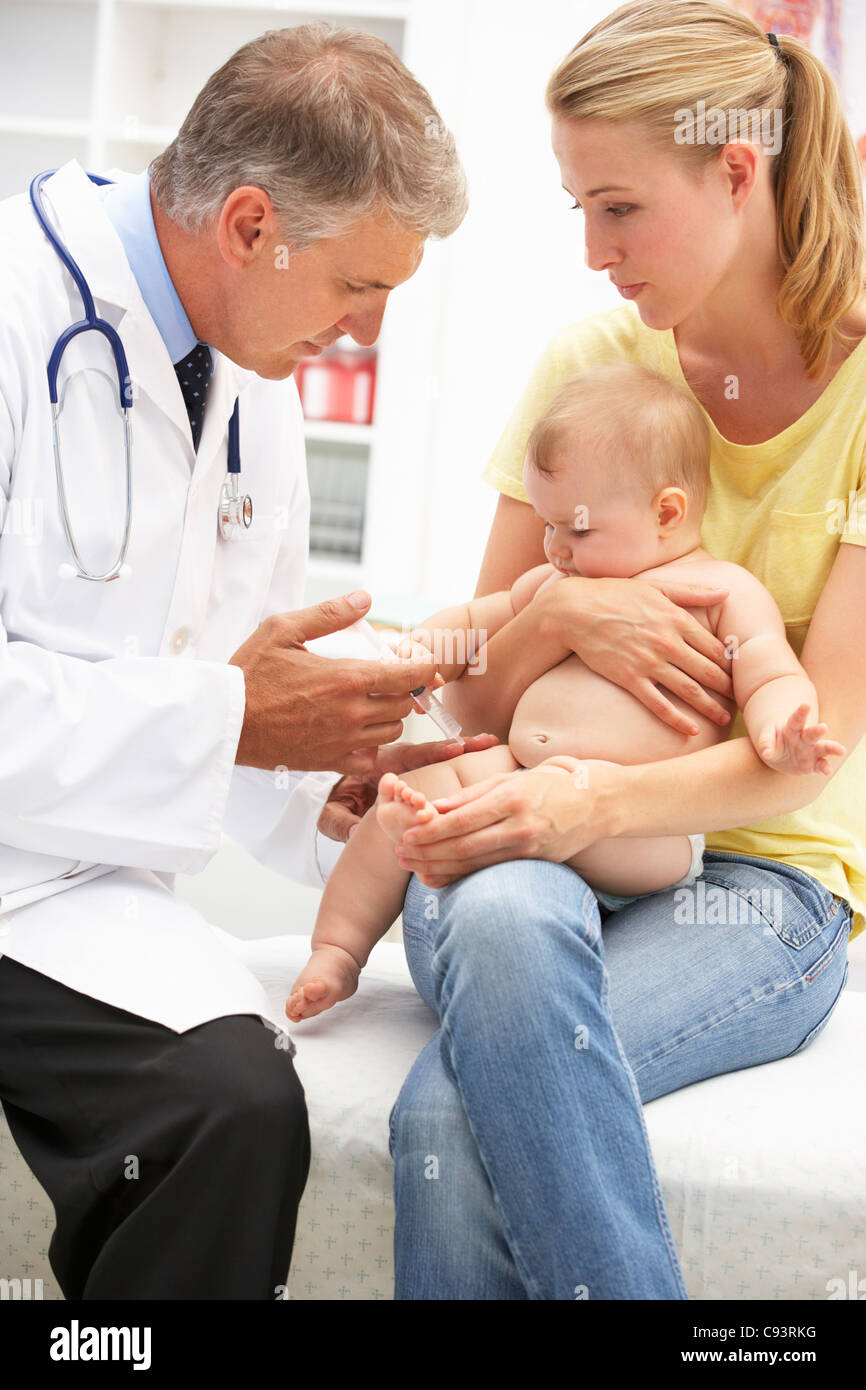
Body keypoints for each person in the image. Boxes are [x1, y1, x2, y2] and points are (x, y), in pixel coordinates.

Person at [0, 23, 497, 1300]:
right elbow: (216, 701)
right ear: (249, 223)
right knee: (221, 1110)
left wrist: (327, 775)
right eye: (354, 286)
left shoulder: (254, 382)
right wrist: (231, 720)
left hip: (78, 884)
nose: (368, 328)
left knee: (232, 1106)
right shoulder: (13, 306)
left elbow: (232, 673)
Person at [384, 1, 866, 1300]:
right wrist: (562, 609)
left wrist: (591, 797)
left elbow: (802, 748)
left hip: (760, 878)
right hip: (524, 827)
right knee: (503, 917)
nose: (594, 254)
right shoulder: (588, 364)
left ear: (734, 169)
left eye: (618, 207)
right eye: (576, 212)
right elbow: (466, 697)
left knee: (442, 1125)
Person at [285, 362, 845, 1023]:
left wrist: (784, 731)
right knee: (410, 800)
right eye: (548, 526)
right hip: (519, 774)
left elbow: (772, 674)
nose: (554, 548)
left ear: (667, 512)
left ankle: (482, 884)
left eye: (576, 529)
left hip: (637, 830)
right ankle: (339, 949)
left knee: (481, 813)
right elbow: (474, 625)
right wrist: (419, 651)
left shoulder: (721, 594)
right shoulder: (558, 583)